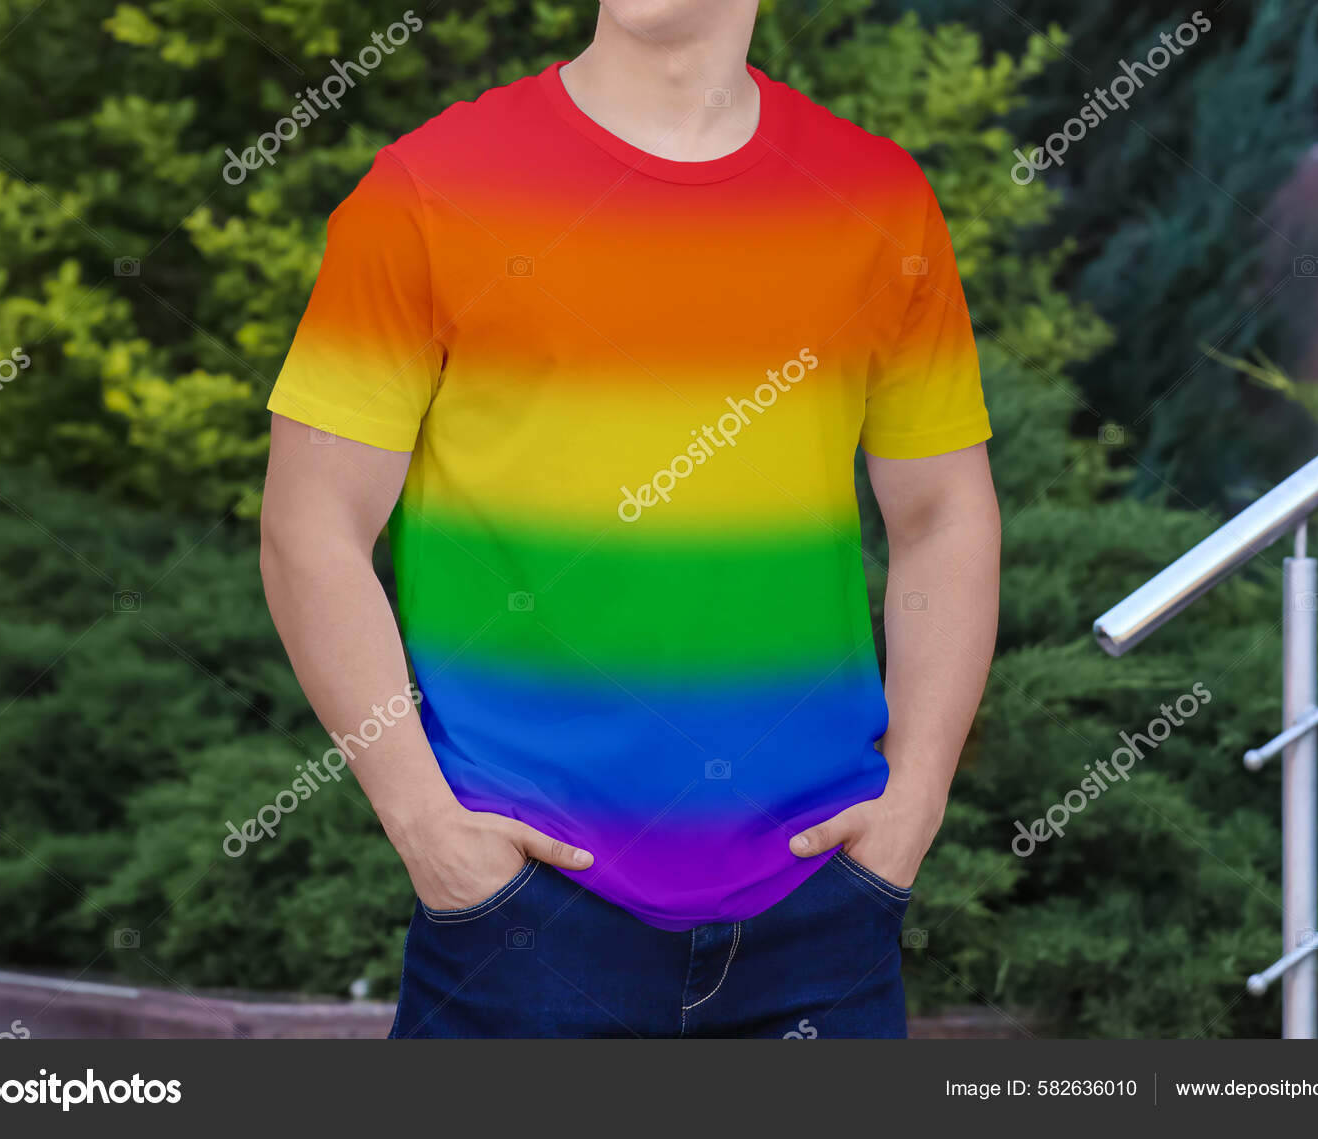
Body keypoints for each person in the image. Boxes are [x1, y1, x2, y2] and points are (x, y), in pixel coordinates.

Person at [259, 0, 1000, 1038]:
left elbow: (943, 514)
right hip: (517, 924)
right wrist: (427, 826)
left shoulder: (878, 197)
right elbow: (311, 527)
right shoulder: (429, 189)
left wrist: (915, 800)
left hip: (823, 915)